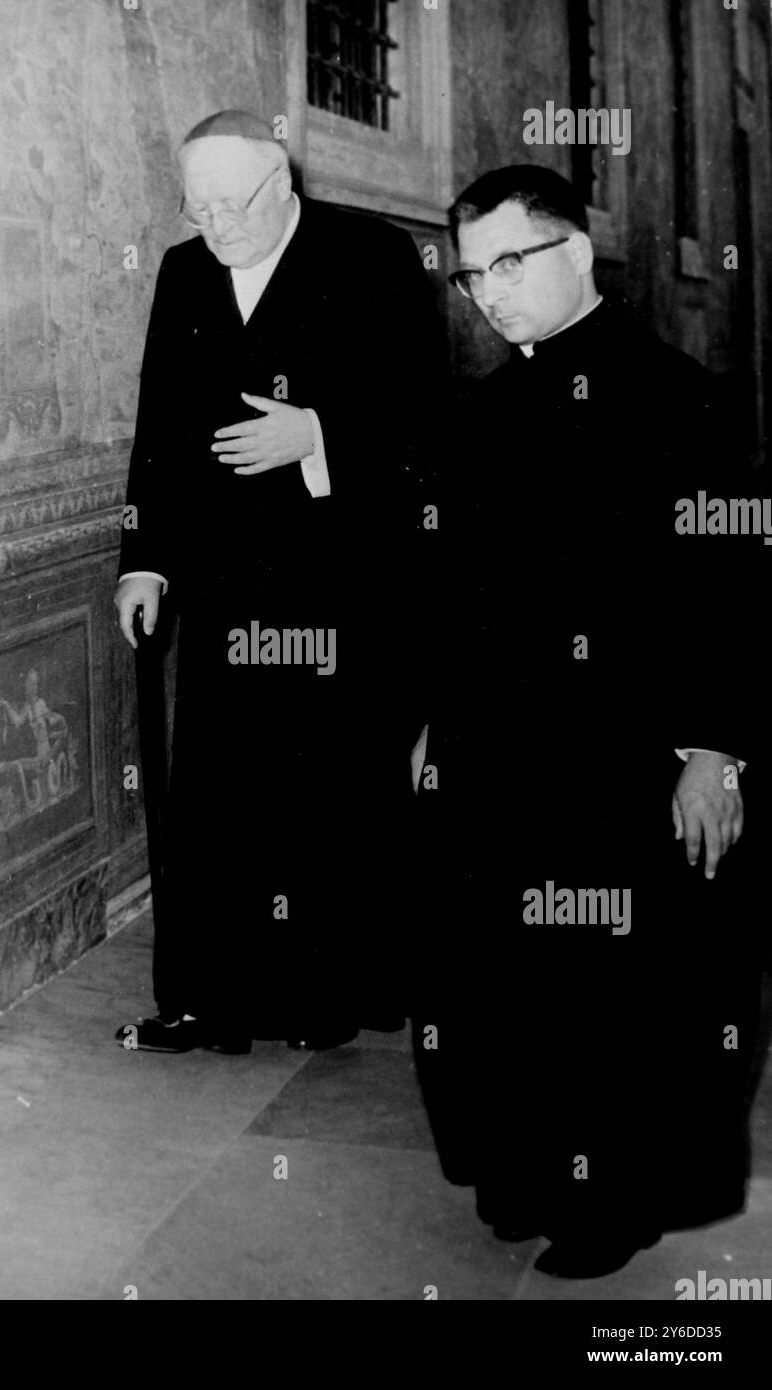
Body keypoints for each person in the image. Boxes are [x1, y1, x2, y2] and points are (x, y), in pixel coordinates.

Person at [412, 164, 766, 1279]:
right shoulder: (482, 409)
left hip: (624, 760)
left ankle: (614, 1204)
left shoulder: (684, 398)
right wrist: (436, 719)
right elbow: (454, 588)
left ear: (578, 251)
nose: (487, 294)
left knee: (615, 993)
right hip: (500, 753)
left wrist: (716, 748)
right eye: (472, 277)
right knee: (502, 984)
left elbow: (737, 587)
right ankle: (521, 1176)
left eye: (508, 265)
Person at [114, 110, 439, 1055]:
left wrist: (319, 436)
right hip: (224, 587)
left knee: (329, 796)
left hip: (342, 582)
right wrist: (144, 557)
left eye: (231, 204)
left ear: (281, 180)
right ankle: (207, 999)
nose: (213, 226)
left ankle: (320, 1000)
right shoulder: (185, 271)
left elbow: (427, 424)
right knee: (218, 795)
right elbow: (160, 432)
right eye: (196, 205)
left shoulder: (371, 257)